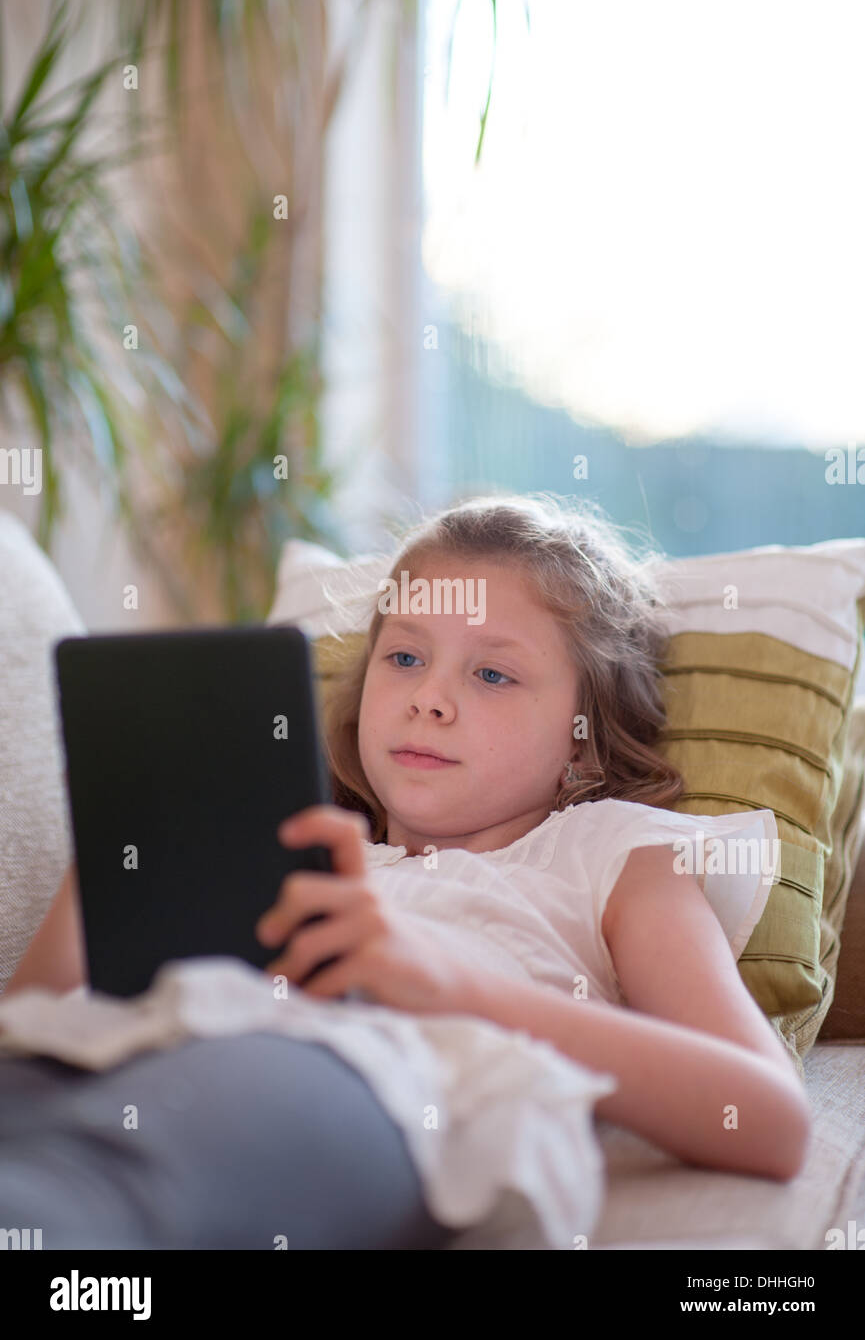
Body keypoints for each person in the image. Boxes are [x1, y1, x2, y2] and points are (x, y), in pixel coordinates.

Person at [0, 492, 811, 1251]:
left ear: (582, 739)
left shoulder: (610, 852)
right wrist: (115, 843)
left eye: (491, 673)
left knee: (69, 1199)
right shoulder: (295, 849)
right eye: (404, 658)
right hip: (135, 1051)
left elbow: (767, 1119)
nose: (429, 698)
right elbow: (29, 1018)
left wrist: (444, 981)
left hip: (372, 1081)